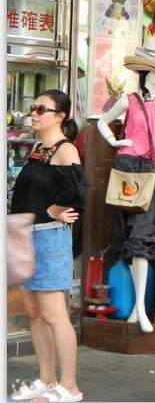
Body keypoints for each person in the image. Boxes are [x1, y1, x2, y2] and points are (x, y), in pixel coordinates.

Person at [10, 90, 87, 403]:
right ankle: (46, 378)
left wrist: (55, 211)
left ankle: (69, 386)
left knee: (55, 314)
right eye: (33, 107)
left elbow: (77, 195)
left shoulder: (65, 150)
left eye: (42, 109)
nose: (35, 113)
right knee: (33, 312)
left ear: (60, 116)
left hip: (48, 238)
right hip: (25, 235)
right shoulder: (39, 148)